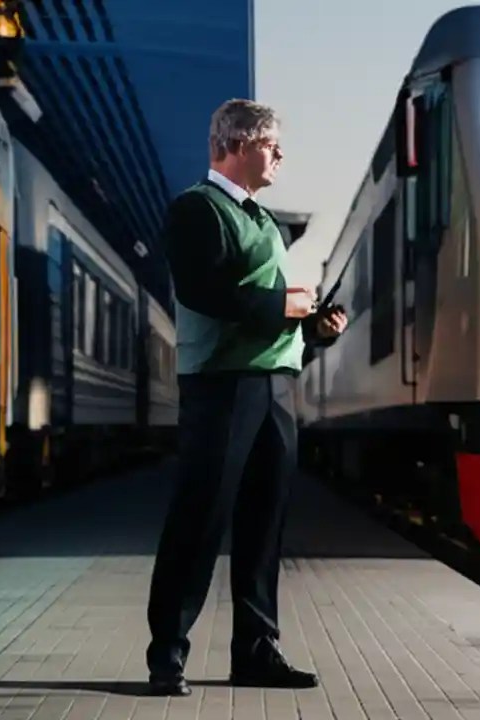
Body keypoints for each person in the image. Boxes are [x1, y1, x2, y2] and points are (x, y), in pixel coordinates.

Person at [144, 98, 347, 696]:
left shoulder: (268, 223)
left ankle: (256, 652)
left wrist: (311, 330)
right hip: (221, 386)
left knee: (264, 525)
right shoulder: (195, 210)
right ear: (234, 144)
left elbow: (264, 312)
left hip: (273, 388)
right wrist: (284, 305)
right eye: (271, 144)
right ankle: (167, 655)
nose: (280, 155)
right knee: (200, 518)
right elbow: (204, 291)